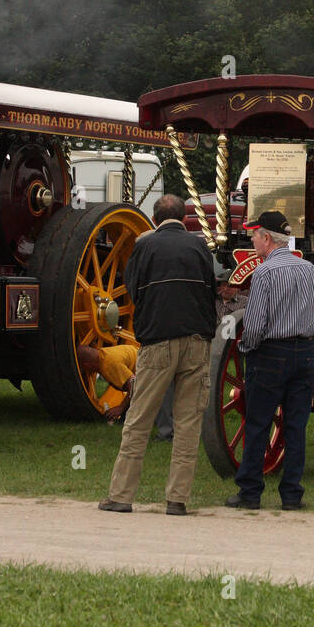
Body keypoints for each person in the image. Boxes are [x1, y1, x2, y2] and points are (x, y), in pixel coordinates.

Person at [99, 194, 216, 516]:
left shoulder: (145, 246)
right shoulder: (199, 248)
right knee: (188, 423)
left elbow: (133, 291)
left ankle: (121, 496)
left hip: (158, 343)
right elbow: (211, 291)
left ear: (156, 218)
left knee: (138, 420)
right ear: (184, 218)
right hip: (196, 342)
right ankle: (178, 499)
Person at [225, 211, 314, 511]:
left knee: (258, 423)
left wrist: (248, 348)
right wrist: (313, 345)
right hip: (305, 354)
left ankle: (249, 493)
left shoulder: (264, 273)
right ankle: (291, 495)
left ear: (267, 238)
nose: (253, 242)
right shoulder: (309, 270)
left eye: (255, 236)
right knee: (296, 426)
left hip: (271, 354)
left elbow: (256, 324)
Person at [76, 343, 137, 422]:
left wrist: (121, 408)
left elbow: (134, 384)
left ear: (87, 365)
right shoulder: (101, 354)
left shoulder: (110, 364)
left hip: (149, 372)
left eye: (80, 367)